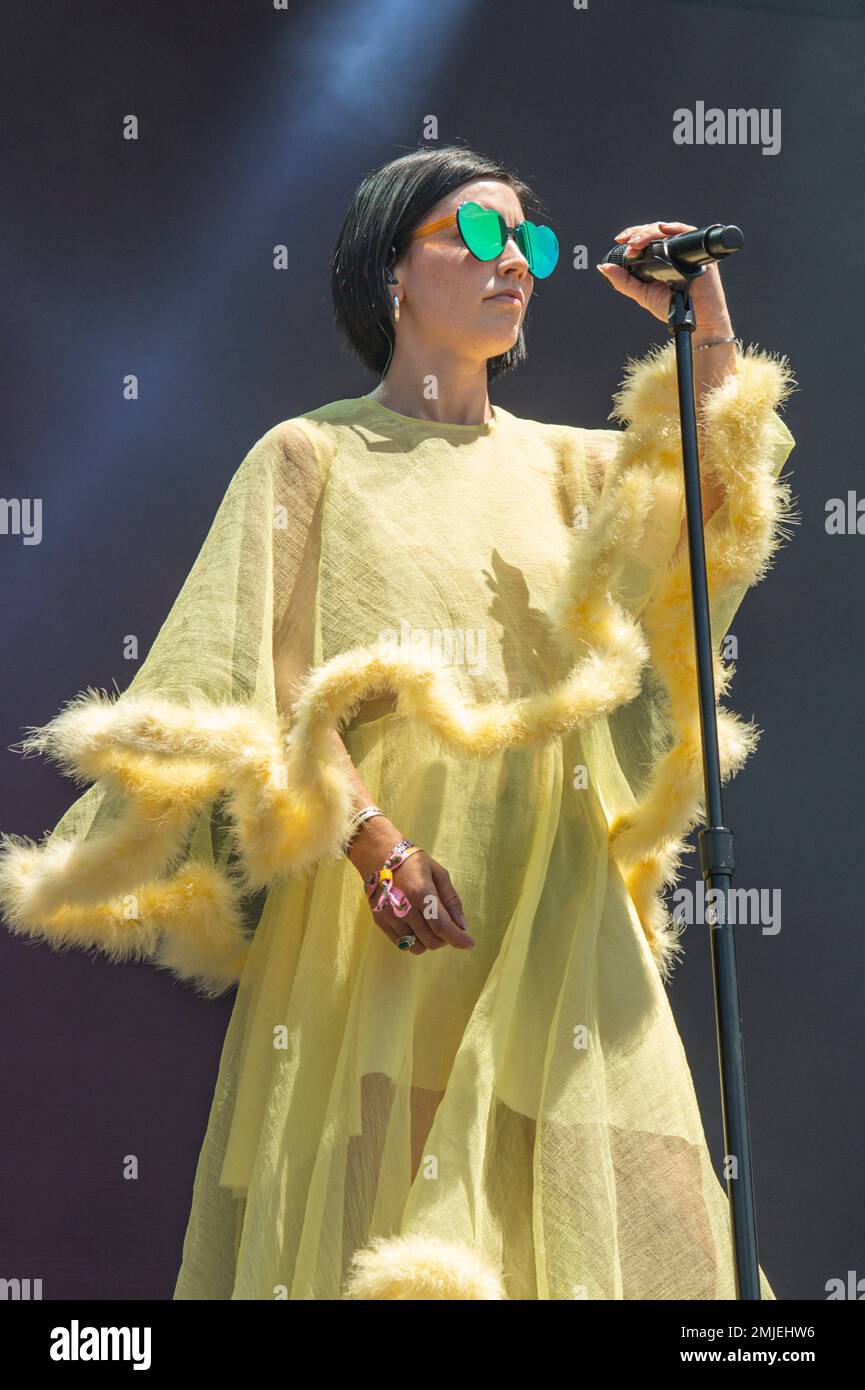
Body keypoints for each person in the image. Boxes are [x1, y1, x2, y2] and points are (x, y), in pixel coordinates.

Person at [0, 144, 798, 1300]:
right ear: (389, 270)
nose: (511, 263)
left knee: (652, 1216)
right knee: (394, 1228)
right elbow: (275, 688)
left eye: (525, 243)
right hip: (399, 893)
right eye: (475, 237)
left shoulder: (572, 468)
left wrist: (705, 317)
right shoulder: (310, 454)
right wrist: (377, 846)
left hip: (559, 894)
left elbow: (722, 507)